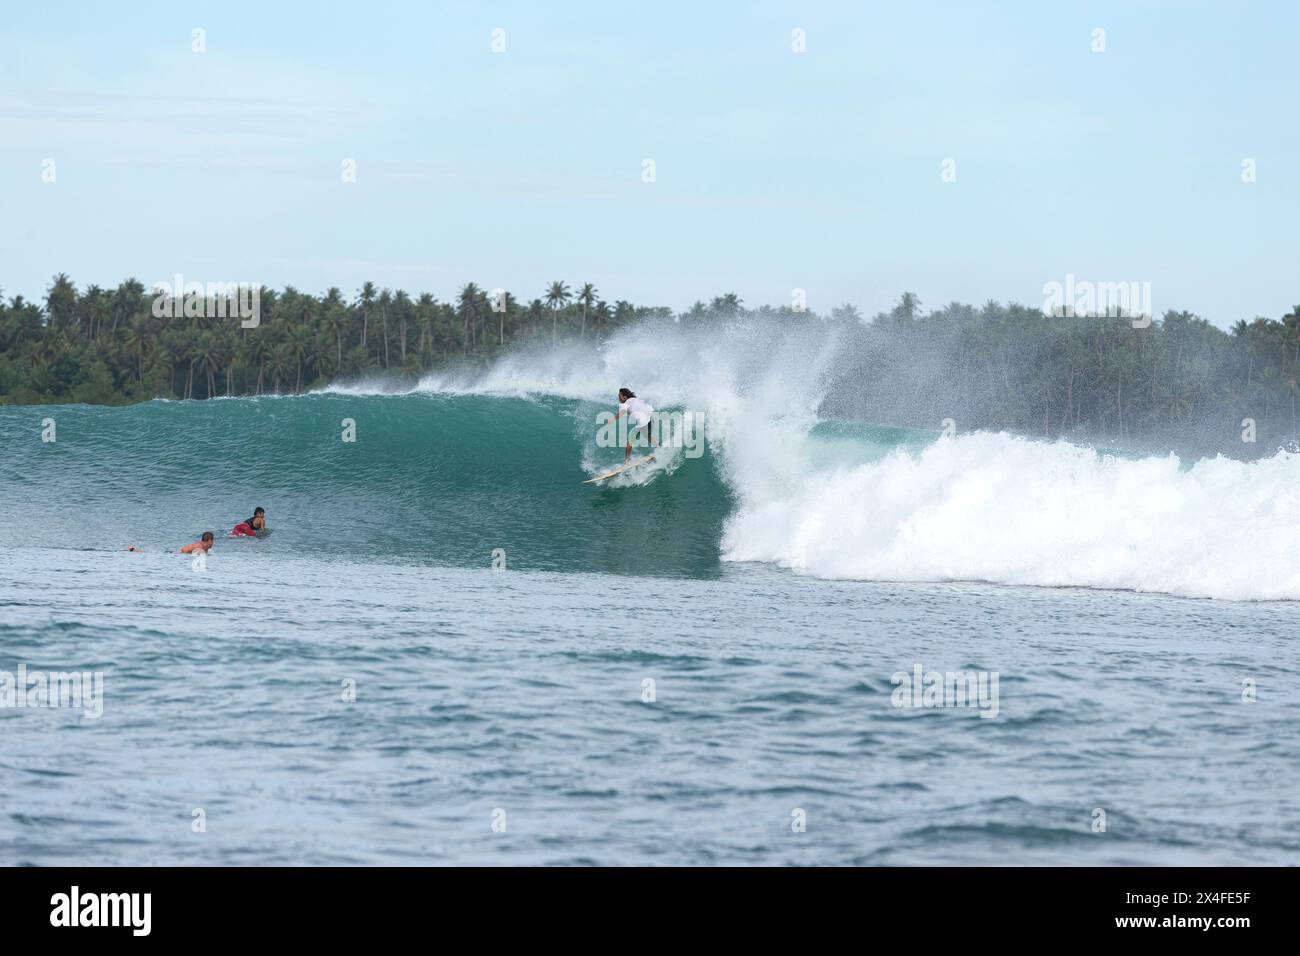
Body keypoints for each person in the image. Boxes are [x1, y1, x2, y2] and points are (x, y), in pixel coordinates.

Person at [614, 388, 656, 464]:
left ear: (625, 397)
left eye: (619, 395)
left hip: (643, 423)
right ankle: (659, 447)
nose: (618, 397)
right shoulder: (635, 399)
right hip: (651, 419)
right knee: (647, 435)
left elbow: (622, 412)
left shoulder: (626, 403)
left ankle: (627, 462)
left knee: (629, 442)